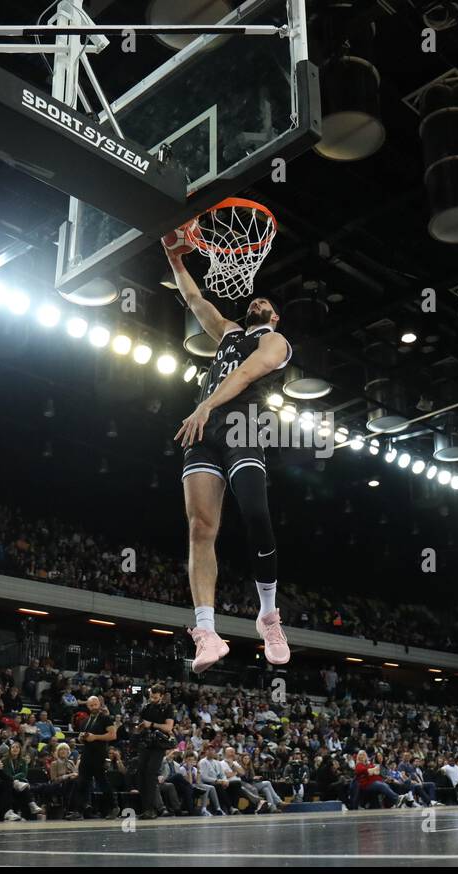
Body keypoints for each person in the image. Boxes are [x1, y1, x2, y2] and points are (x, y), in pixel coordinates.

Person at [164, 231, 292, 673]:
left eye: (267, 304)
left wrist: (206, 403)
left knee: (255, 512)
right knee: (200, 527)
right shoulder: (229, 333)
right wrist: (174, 257)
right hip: (204, 429)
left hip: (240, 423)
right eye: (256, 300)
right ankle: (206, 632)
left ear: (274, 317)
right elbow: (195, 298)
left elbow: (242, 378)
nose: (259, 302)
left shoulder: (274, 343)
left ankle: (268, 615)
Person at [65, 696, 120, 820]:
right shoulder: (85, 721)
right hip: (87, 754)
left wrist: (95, 737)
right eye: (91, 705)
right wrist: (81, 738)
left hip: (99, 754)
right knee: (81, 782)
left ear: (99, 704)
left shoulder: (105, 718)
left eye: (96, 704)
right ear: (88, 706)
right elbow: (86, 737)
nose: (94, 707)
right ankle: (78, 811)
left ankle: (114, 807)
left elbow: (113, 735)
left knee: (102, 782)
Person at [136, 684, 175, 820]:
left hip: (158, 745)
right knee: (141, 774)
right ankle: (147, 808)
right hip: (145, 744)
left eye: (155, 697)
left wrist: (151, 724)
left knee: (151, 774)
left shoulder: (167, 708)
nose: (152, 699)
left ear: (162, 696)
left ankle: (152, 809)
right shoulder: (146, 707)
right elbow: (141, 725)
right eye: (151, 696)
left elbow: (169, 726)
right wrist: (140, 727)